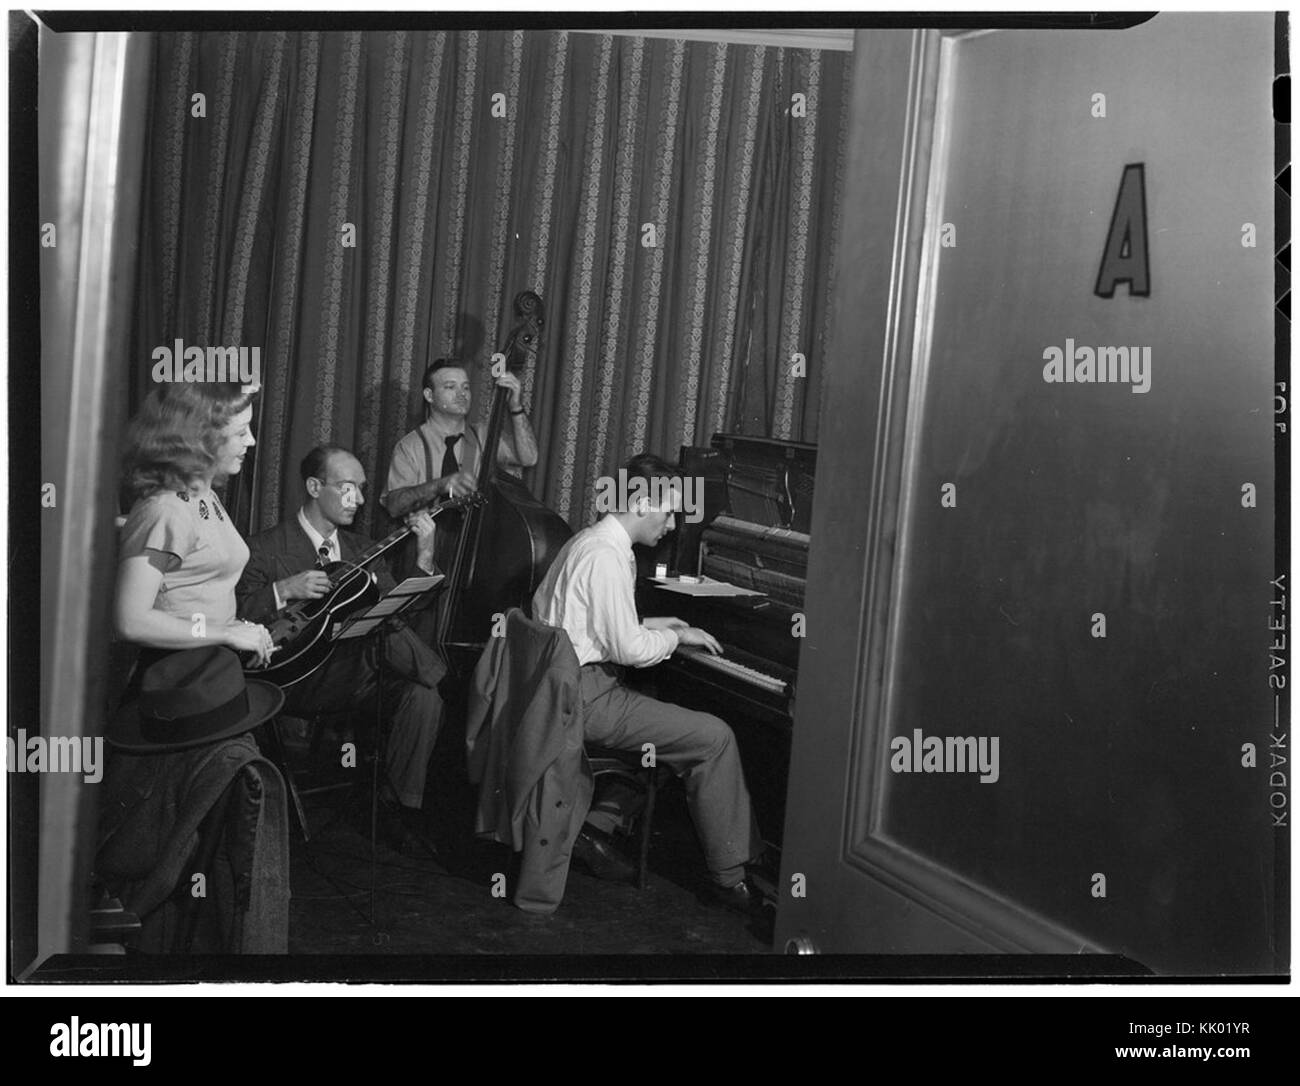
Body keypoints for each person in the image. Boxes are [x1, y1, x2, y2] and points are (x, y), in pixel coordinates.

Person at [531, 453, 763, 912]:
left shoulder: (590, 541)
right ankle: (730, 877)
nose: (674, 525)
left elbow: (591, 625)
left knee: (663, 713)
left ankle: (596, 824)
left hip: (566, 686)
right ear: (641, 503)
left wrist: (653, 622)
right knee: (715, 737)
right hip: (584, 698)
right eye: (670, 511)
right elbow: (630, 650)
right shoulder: (606, 557)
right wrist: (675, 637)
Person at [103, 381, 290, 951]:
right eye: (238, 431)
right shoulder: (164, 510)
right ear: (197, 438)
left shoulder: (204, 494)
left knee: (206, 847)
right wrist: (225, 631)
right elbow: (130, 619)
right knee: (164, 850)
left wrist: (242, 629)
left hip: (212, 689)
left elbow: (202, 584)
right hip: (174, 698)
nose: (251, 441)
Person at [235, 445, 447, 856]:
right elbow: (234, 614)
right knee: (392, 640)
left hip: (356, 674)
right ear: (315, 487)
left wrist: (425, 552)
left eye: (362, 489)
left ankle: (401, 809)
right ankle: (448, 678)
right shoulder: (262, 548)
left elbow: (402, 605)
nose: (361, 500)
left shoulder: (363, 548)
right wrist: (283, 590)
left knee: (424, 696)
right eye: (348, 488)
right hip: (296, 678)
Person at [381, 357, 539, 519]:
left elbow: (528, 458)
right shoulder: (409, 446)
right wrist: (440, 485)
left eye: (466, 387)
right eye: (450, 387)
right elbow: (394, 507)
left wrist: (515, 407)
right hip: (426, 542)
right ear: (429, 395)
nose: (461, 394)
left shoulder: (484, 435)